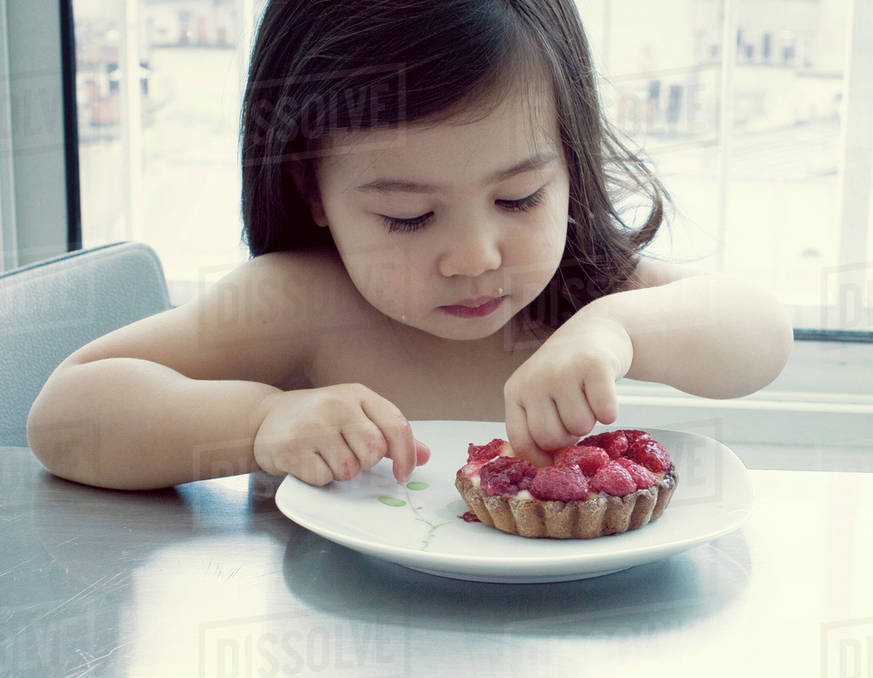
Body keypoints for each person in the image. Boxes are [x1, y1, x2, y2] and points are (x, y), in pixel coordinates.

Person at [27, 0, 792, 491]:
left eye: (520, 198)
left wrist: (617, 330)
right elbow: (66, 413)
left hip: (552, 665)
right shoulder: (304, 302)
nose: (474, 256)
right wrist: (261, 423)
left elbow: (762, 332)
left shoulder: (581, 292)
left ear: (571, 161)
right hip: (337, 661)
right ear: (311, 190)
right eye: (406, 216)